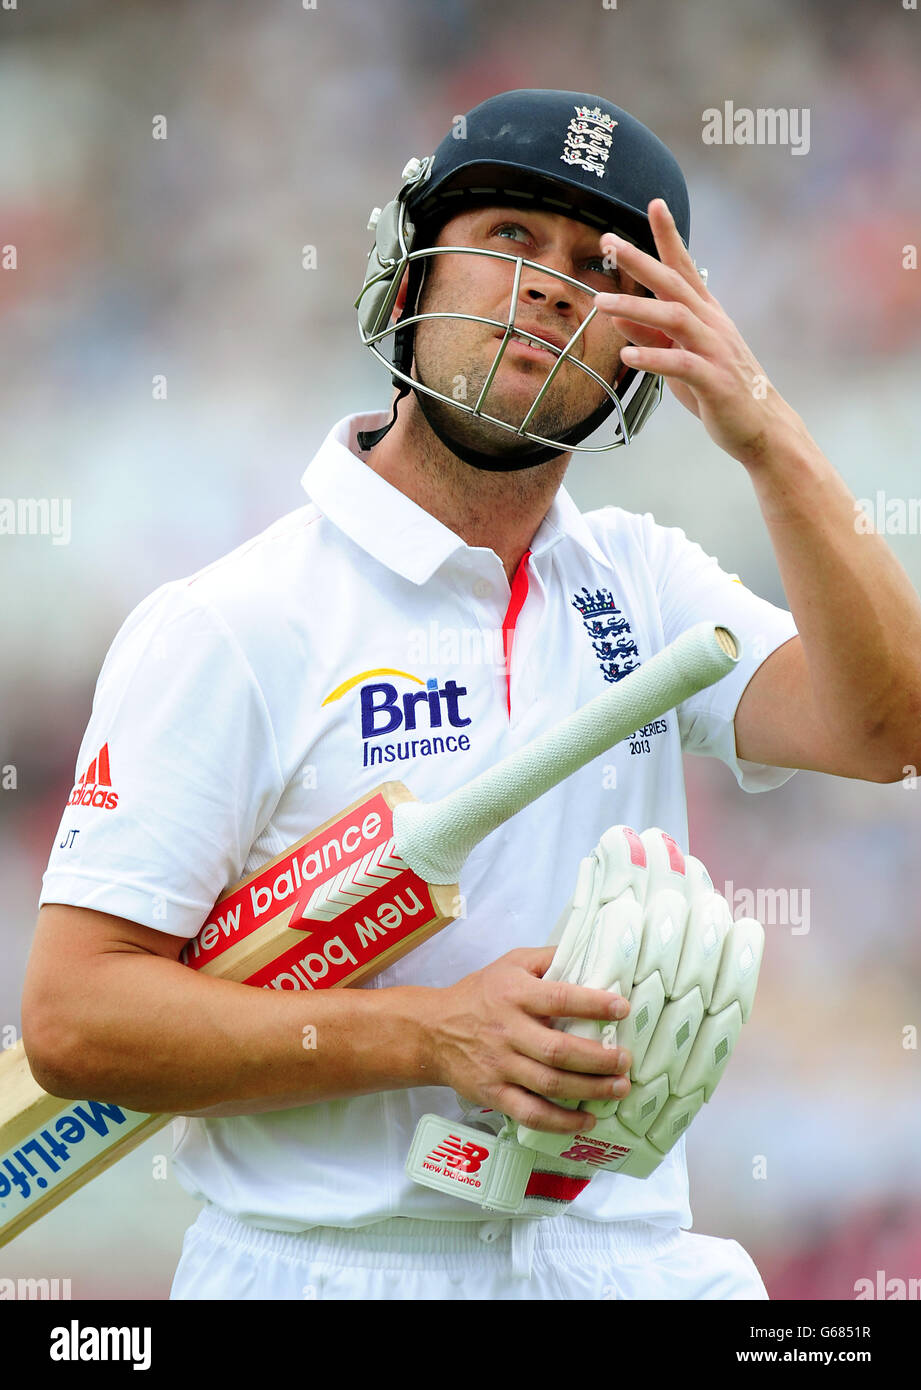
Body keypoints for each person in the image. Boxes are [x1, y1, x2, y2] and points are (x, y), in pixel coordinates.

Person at [22, 90, 921, 1301]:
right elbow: (78, 1020)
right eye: (508, 237)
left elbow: (890, 729)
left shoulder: (648, 583)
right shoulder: (233, 623)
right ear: (408, 284)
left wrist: (766, 434)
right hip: (328, 1266)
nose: (551, 286)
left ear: (642, 349)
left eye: (600, 269)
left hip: (628, 1259)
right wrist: (433, 1032)